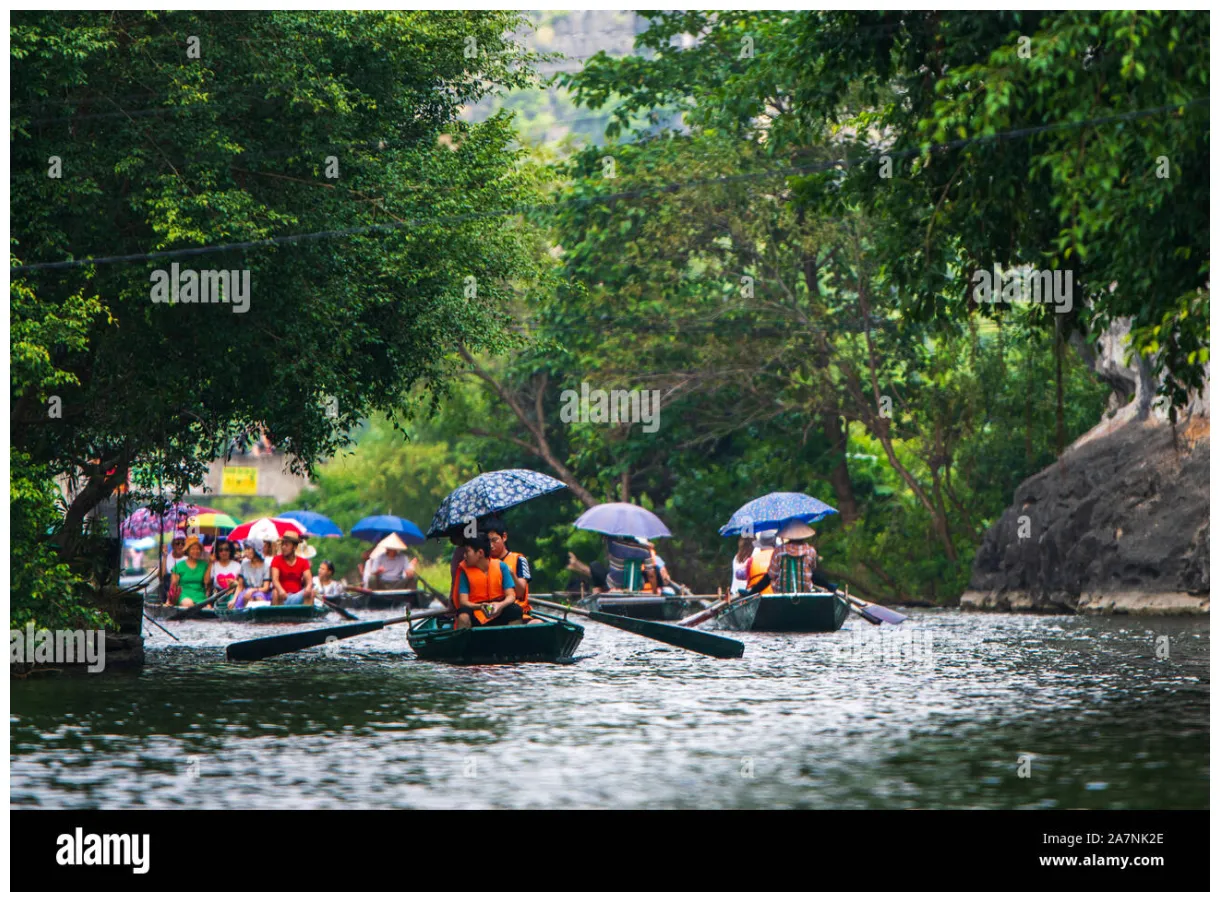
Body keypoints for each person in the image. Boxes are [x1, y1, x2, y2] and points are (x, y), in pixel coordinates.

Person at [453, 534, 527, 629]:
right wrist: (480, 606)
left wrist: (500, 605)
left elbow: (511, 596)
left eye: (467, 551)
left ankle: (511, 642)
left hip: (498, 608)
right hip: (476, 610)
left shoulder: (501, 566)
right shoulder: (464, 571)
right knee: (463, 616)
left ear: (480, 553)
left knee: (515, 610)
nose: (464, 555)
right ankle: (465, 642)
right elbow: (463, 602)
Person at [483, 517, 531, 609]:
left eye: (494, 540)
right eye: (487, 542)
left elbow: (520, 593)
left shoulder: (519, 559)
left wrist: (510, 572)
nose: (491, 546)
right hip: (491, 609)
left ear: (504, 537)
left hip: (518, 609)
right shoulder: (483, 562)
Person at [766, 520, 820, 593]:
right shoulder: (811, 551)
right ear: (804, 536)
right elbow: (812, 569)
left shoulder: (779, 551)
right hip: (805, 593)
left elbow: (772, 574)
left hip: (782, 594)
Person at [270, 530, 314, 606]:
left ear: (294, 547)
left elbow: (309, 579)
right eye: (282, 544)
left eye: (286, 545)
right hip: (282, 595)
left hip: (297, 595)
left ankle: (307, 615)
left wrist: (308, 587)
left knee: (311, 592)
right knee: (275, 592)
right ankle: (277, 616)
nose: (283, 547)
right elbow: (275, 580)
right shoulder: (276, 560)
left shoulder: (303, 562)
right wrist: (281, 590)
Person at [168, 536, 210, 607]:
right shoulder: (179, 566)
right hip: (184, 594)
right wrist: (169, 600)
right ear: (188, 550)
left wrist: (211, 563)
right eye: (193, 549)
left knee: (208, 607)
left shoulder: (204, 565)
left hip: (199, 594)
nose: (196, 551)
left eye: (198, 549)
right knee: (189, 604)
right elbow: (173, 585)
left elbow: (206, 582)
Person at [234, 541, 272, 608]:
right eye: (245, 549)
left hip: (261, 592)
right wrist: (233, 600)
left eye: (248, 549)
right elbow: (240, 586)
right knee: (247, 597)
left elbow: (266, 587)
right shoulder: (244, 564)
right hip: (246, 592)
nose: (246, 552)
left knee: (258, 598)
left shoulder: (266, 566)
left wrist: (253, 590)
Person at [744, 530, 778, 596]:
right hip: (776, 596)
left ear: (760, 546)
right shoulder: (779, 558)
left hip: (756, 598)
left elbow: (747, 579)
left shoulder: (751, 560)